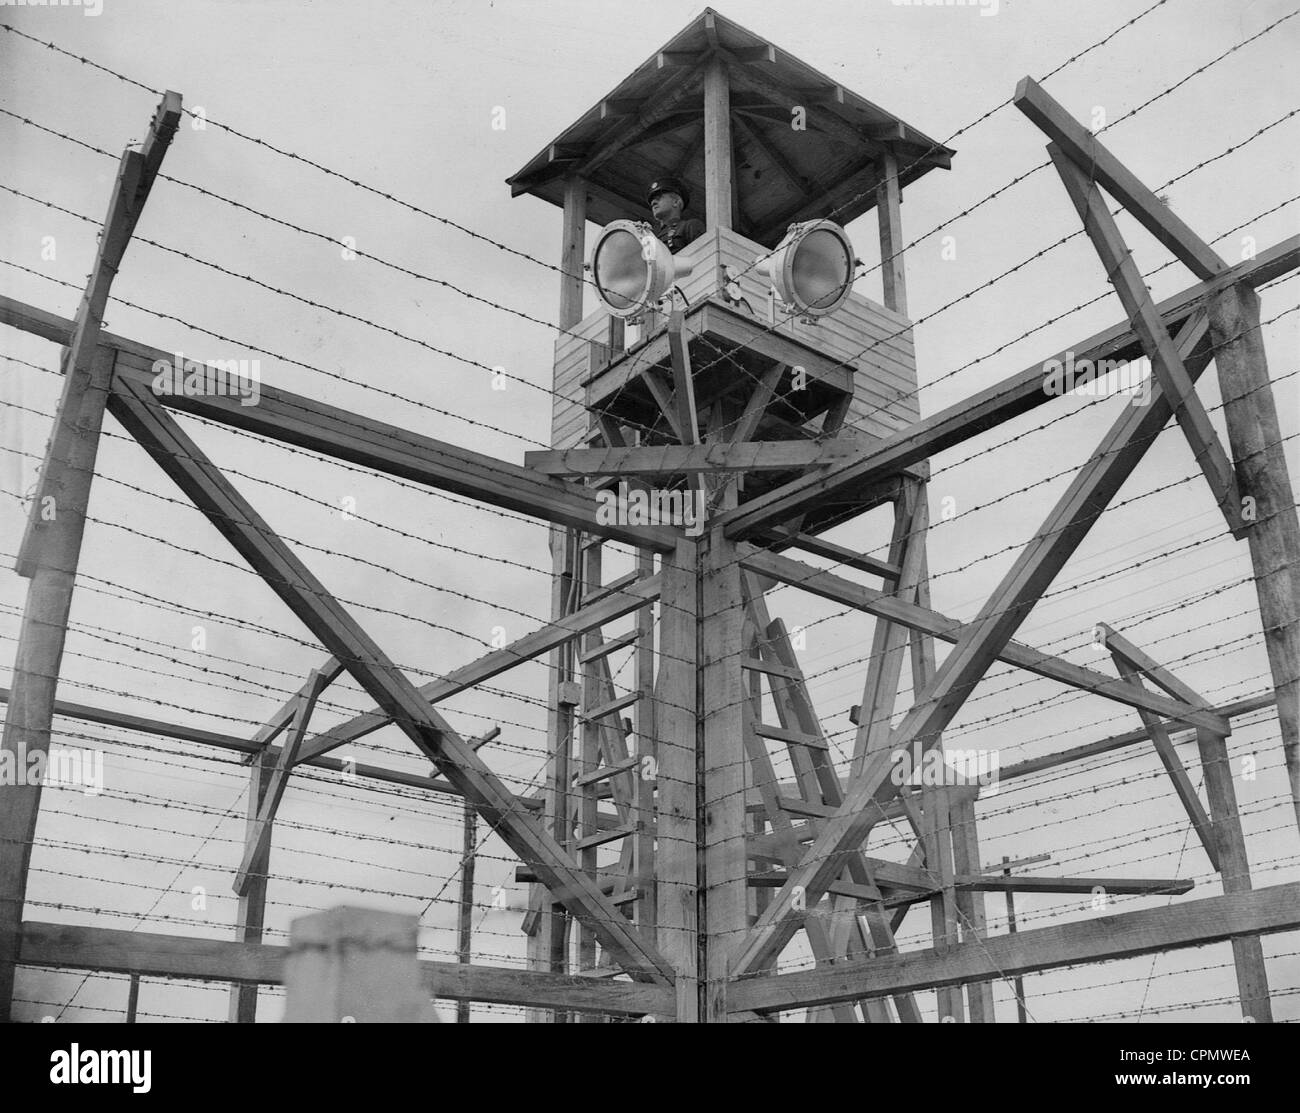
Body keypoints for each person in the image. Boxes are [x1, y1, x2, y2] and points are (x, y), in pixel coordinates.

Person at [646, 177, 705, 253]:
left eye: (659, 198)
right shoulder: (653, 239)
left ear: (676, 202)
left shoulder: (689, 226)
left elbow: (702, 256)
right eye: (652, 201)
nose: (653, 202)